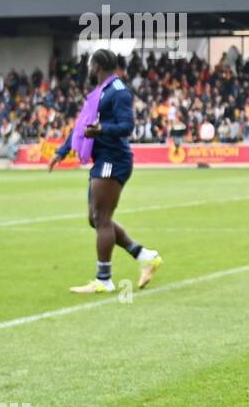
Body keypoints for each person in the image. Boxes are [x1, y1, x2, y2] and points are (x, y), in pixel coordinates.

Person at [48, 48, 163, 294]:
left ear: (97, 65)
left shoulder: (119, 92)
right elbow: (81, 126)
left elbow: (127, 126)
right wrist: (62, 151)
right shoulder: (100, 93)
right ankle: (145, 256)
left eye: (90, 65)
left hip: (114, 159)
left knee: (101, 219)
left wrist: (101, 130)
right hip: (103, 159)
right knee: (97, 219)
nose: (88, 70)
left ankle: (104, 279)